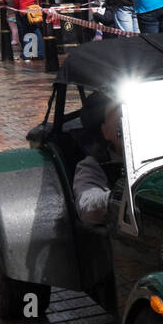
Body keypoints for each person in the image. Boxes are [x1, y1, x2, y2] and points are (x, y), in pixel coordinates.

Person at [72, 92, 123, 226]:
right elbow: (87, 206)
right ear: (106, 131)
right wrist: (119, 198)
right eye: (121, 128)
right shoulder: (93, 165)